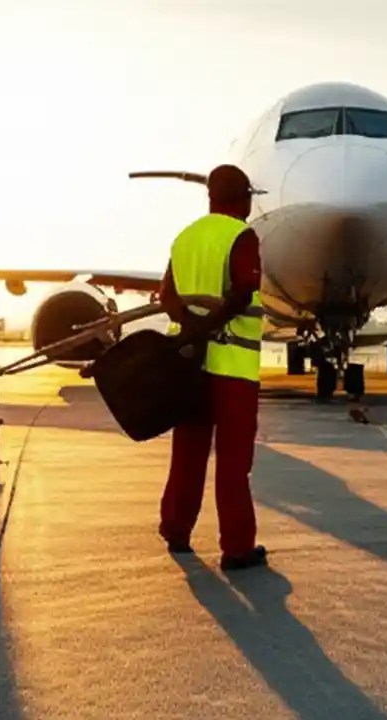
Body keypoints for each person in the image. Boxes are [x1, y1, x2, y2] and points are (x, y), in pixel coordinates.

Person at [157, 164, 267, 571]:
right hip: (232, 367)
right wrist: (209, 325)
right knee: (234, 464)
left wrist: (190, 328)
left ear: (210, 197)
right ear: (244, 199)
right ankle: (237, 548)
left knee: (187, 452)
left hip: (190, 367)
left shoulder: (184, 238)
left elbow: (166, 295)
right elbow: (242, 293)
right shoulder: (242, 235)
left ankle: (176, 529)